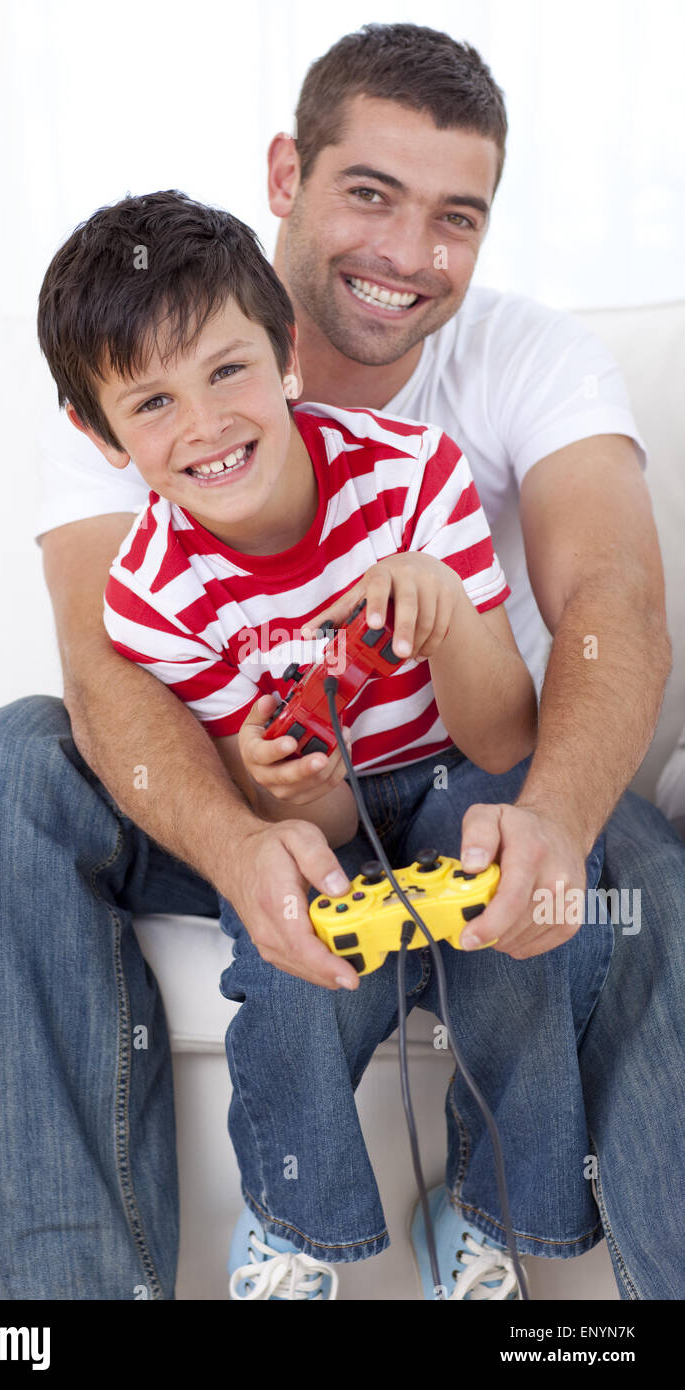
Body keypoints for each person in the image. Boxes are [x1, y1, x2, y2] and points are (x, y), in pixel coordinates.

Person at [0, 22, 684, 1302]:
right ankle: (54, 1310)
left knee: (637, 862)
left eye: (457, 214)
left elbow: (612, 606)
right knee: (3, 756)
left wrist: (549, 818)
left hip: (464, 774)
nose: (406, 254)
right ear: (286, 173)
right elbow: (115, 676)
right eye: (370, 194)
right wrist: (249, 834)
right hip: (239, 785)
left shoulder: (515, 373)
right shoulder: (137, 353)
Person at [35, 186, 605, 1300]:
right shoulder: (152, 595)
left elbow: (505, 737)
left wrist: (443, 610)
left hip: (457, 772)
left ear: (288, 351)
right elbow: (323, 829)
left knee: (536, 943)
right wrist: (281, 784)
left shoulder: (415, 477)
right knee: (284, 966)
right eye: (151, 402)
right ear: (101, 437)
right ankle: (299, 1227)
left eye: (227, 370)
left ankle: (484, 1210)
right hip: (329, 813)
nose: (203, 425)